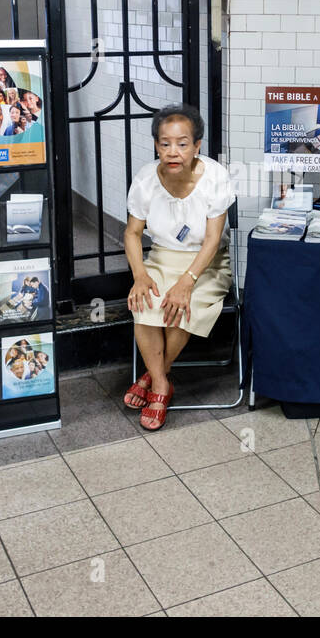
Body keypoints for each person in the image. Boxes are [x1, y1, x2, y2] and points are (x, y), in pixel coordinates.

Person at [123, 104, 235, 430]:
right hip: (160, 258)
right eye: (165, 143)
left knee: (182, 307)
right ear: (156, 145)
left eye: (183, 144)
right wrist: (140, 275)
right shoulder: (146, 179)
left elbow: (213, 240)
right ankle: (161, 384)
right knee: (145, 305)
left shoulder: (215, 177)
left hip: (207, 263)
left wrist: (187, 281)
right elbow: (131, 233)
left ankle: (154, 378)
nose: (173, 152)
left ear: (197, 146)